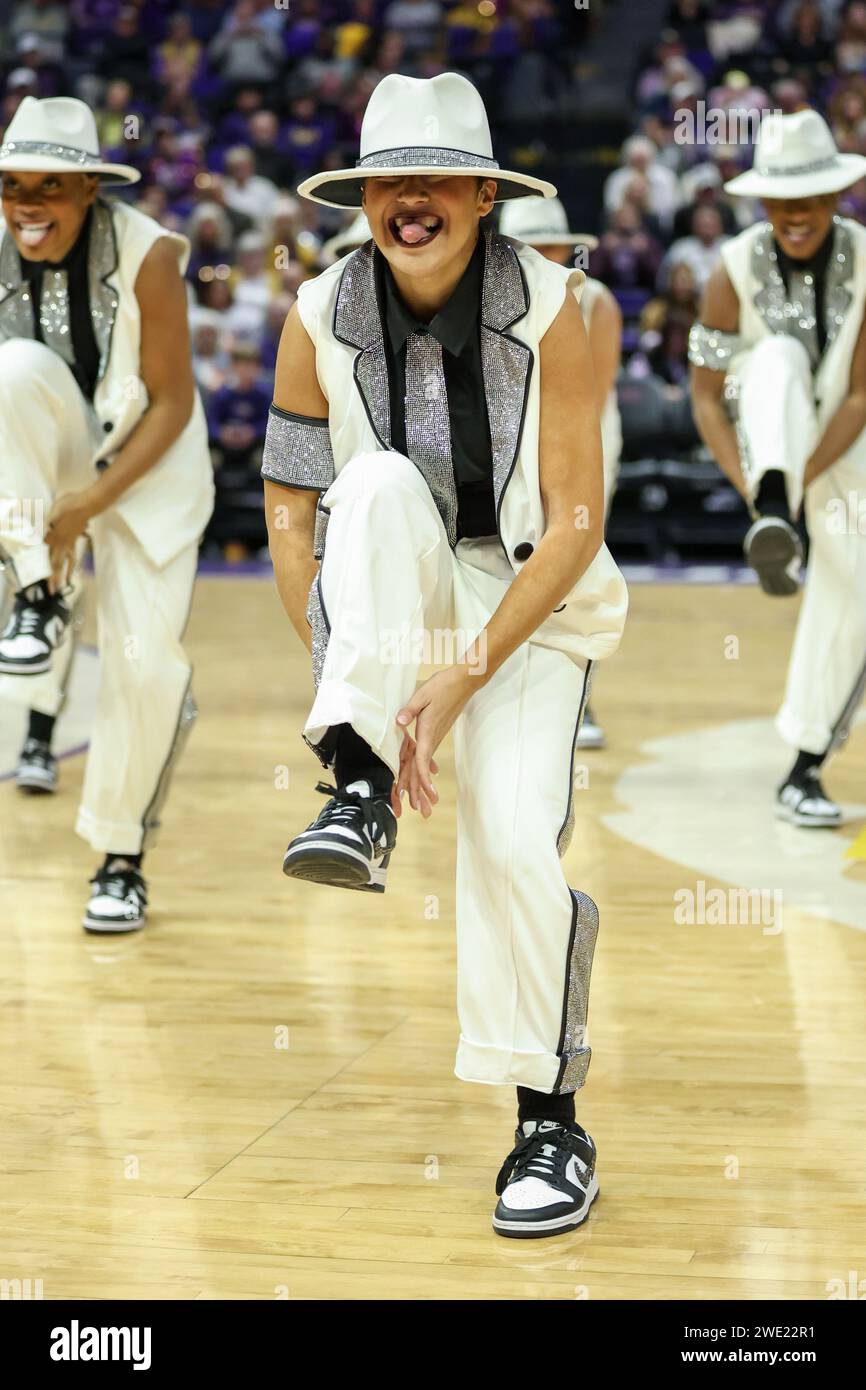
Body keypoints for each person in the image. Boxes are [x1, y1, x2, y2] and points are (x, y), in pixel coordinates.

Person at [262, 72, 628, 1239]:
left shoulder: (560, 308)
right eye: (385, 180)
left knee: (513, 834)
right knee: (366, 484)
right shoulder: (317, 311)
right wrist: (353, 679)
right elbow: (287, 498)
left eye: (432, 179)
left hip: (530, 597)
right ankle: (356, 789)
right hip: (400, 575)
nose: (407, 197)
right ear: (363, 199)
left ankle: (547, 1121)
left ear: (480, 196)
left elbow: (574, 521)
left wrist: (461, 673)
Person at [0, 96, 214, 929]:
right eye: (12, 184)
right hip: (58, 436)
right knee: (13, 368)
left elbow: (171, 401)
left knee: (144, 663)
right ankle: (39, 594)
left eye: (49, 185)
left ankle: (121, 856)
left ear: (90, 189)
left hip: (150, 461)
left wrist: (87, 504)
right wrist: (31, 529)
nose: (26, 203)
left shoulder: (148, 251)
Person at [690, 108, 866, 828]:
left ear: (834, 196)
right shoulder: (729, 270)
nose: (797, 213)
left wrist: (800, 491)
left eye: (811, 197)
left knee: (857, 588)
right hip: (761, 429)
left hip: (841, 441)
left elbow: (859, 395)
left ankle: (806, 766)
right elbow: (705, 398)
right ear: (763, 201)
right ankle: (768, 516)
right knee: (777, 357)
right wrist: (761, 491)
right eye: (783, 199)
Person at [499, 195, 623, 751]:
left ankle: (580, 694)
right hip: (515, 438)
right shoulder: (491, 296)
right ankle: (505, 680)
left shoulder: (596, 301)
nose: (541, 257)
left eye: (549, 246)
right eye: (528, 247)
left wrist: (553, 468)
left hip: (585, 440)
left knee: (573, 559)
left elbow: (588, 400)